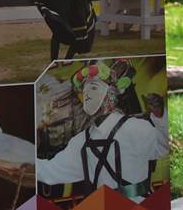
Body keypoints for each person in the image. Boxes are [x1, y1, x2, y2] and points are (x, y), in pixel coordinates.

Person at [37, 60, 169, 202]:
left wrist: (160, 117)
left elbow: (163, 146)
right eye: (84, 90)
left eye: (93, 88)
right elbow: (50, 172)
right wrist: (20, 159)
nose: (87, 95)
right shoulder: (80, 141)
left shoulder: (136, 128)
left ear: (110, 93)